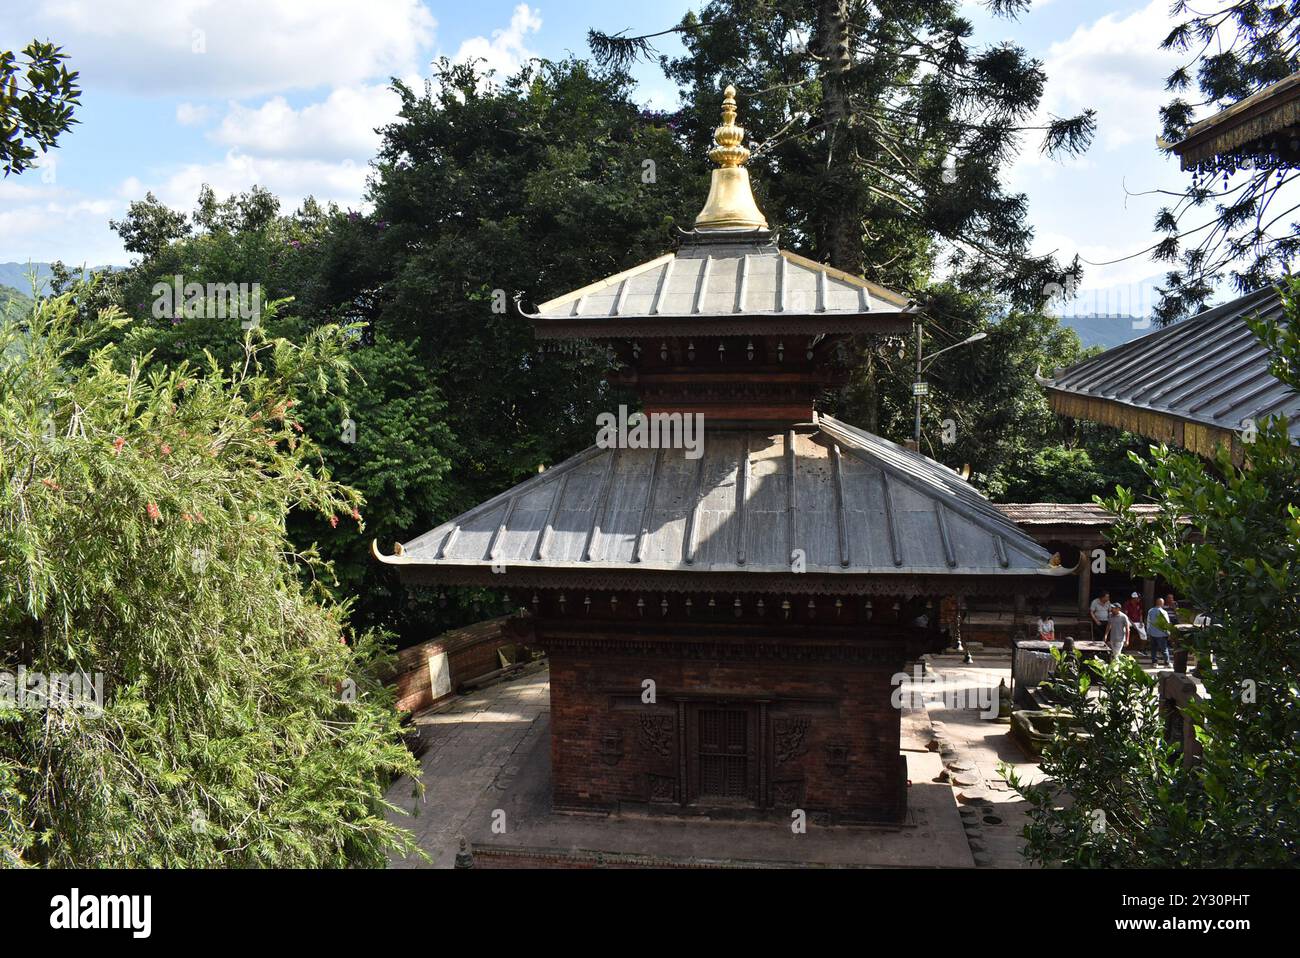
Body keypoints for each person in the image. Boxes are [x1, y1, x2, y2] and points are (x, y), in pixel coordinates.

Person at [1147, 597, 1173, 668]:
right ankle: (1167, 663)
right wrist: (1169, 633)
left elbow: (1148, 622)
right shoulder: (1164, 612)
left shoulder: (1150, 611)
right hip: (1162, 634)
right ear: (1162, 604)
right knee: (1164, 649)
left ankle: (1154, 663)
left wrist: (1148, 632)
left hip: (1152, 633)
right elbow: (1167, 623)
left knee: (1153, 649)